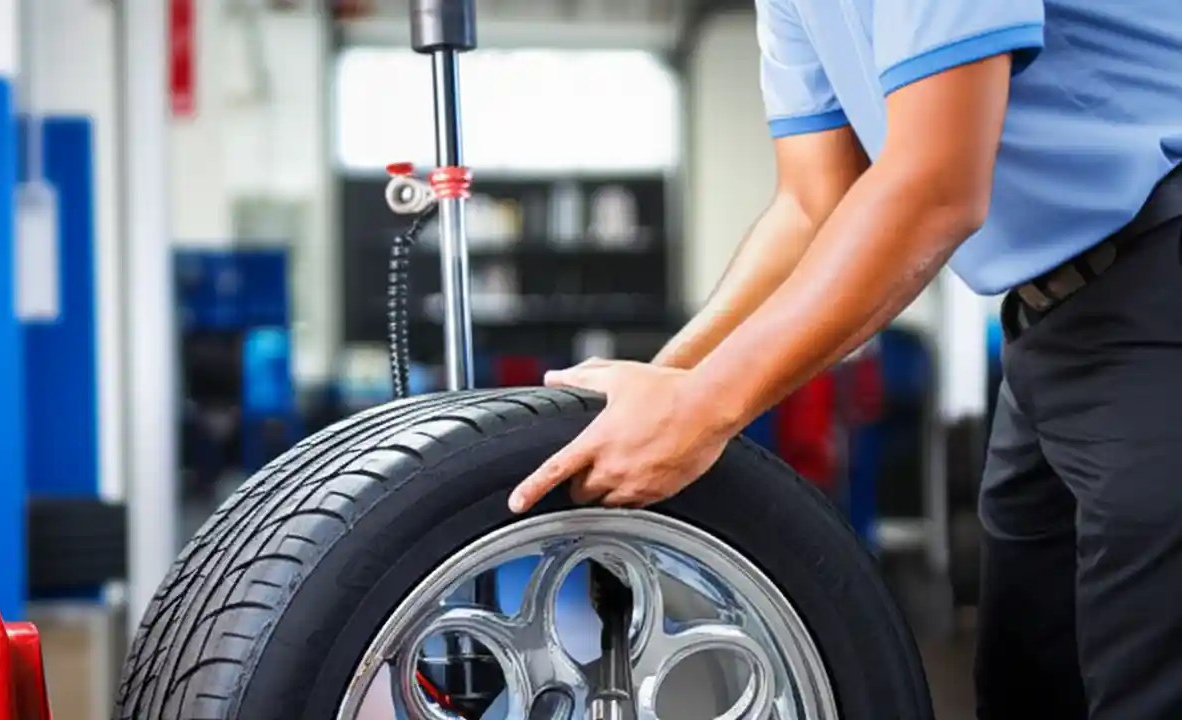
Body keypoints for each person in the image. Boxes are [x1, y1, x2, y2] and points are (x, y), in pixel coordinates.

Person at [507, 1, 1182, 718]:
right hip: (1053, 317)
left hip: (1160, 272)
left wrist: (705, 408)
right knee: (1030, 682)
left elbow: (937, 186)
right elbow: (812, 205)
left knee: (1147, 684)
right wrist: (666, 386)